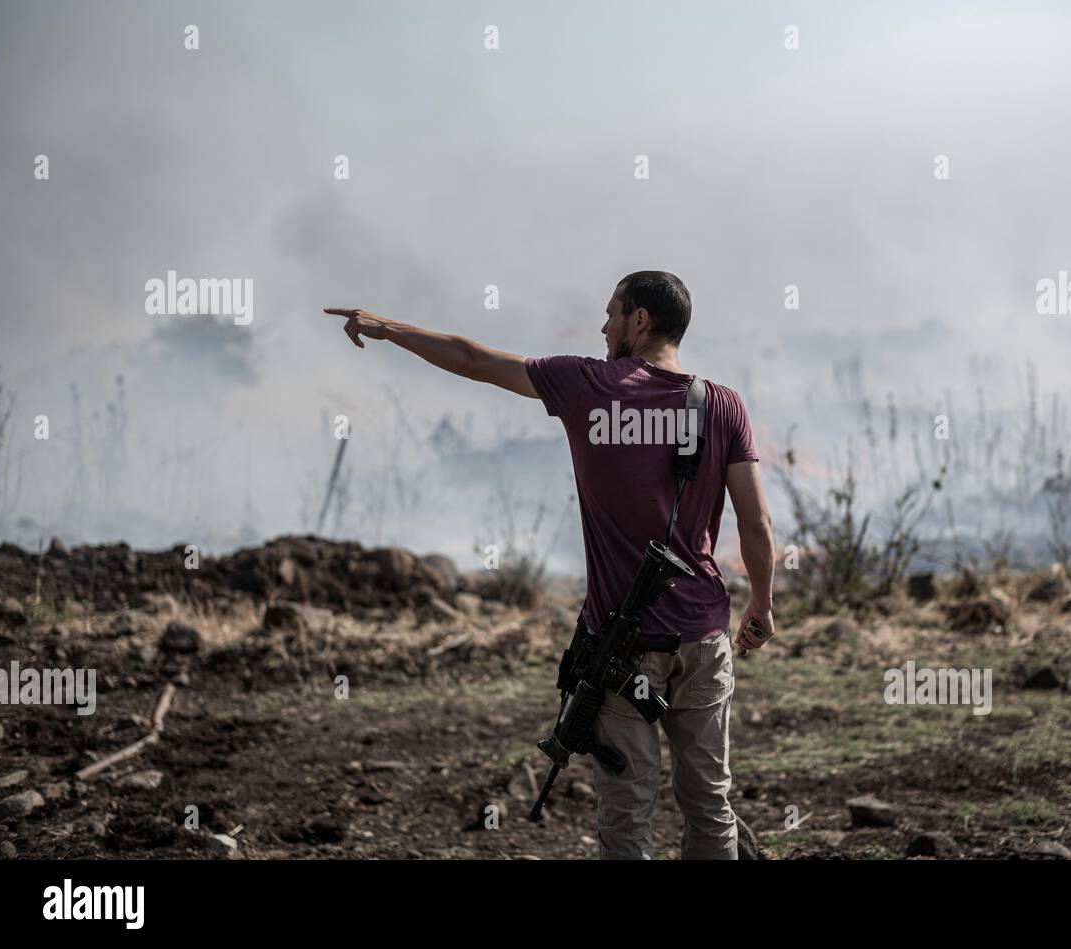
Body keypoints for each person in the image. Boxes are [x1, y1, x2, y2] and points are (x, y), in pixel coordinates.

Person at [323, 270, 776, 859]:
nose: (603, 325)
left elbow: (472, 360)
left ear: (639, 320)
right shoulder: (722, 405)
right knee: (709, 804)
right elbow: (756, 523)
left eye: (612, 313)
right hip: (703, 637)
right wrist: (761, 603)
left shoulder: (585, 383)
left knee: (626, 808)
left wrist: (389, 328)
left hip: (623, 645)